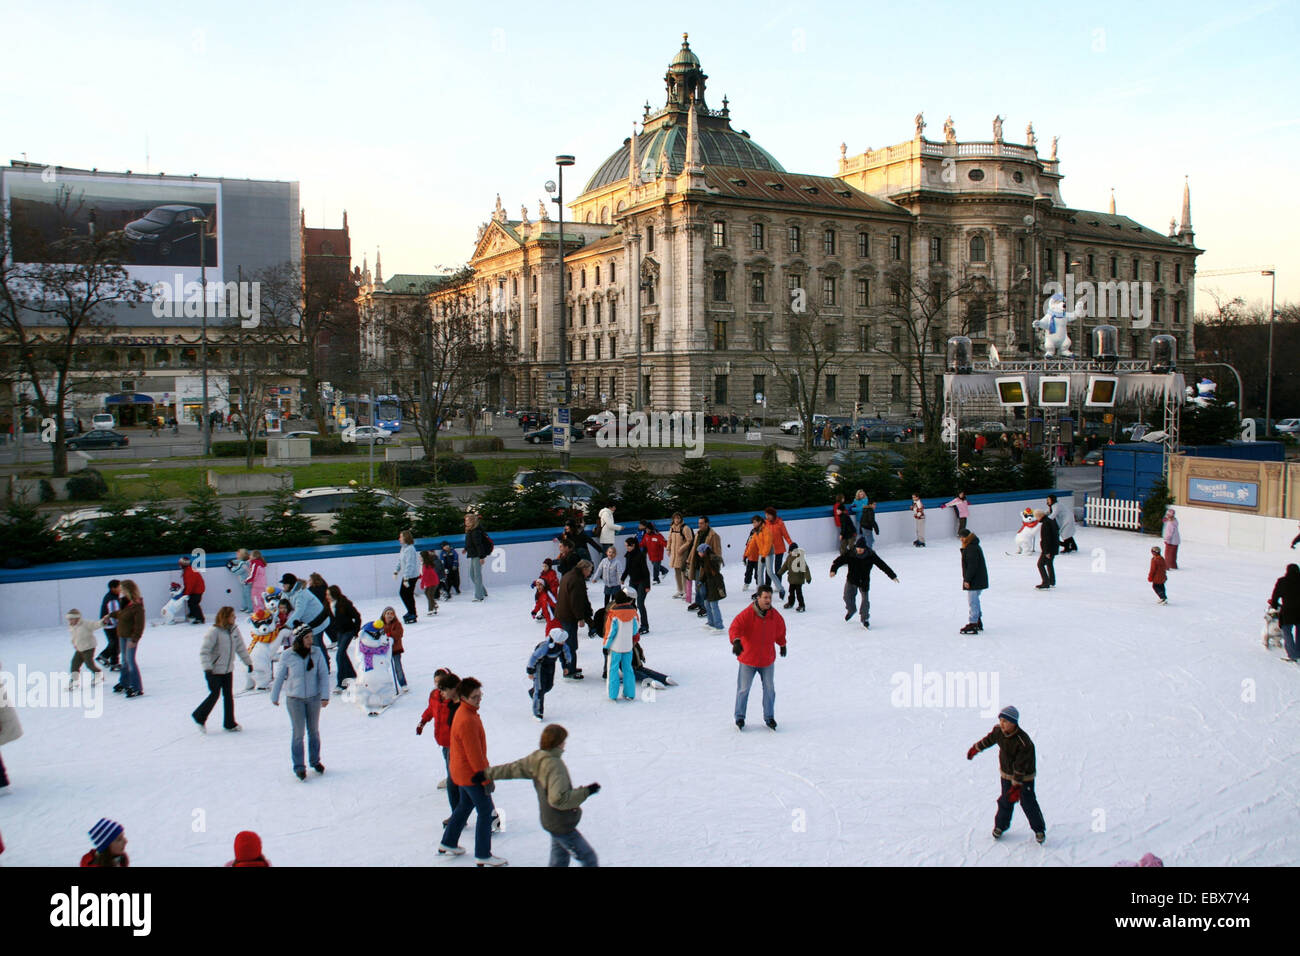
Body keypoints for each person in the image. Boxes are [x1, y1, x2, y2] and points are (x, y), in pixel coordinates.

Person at [482, 724, 600, 867]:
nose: (565, 744)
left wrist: (486, 773)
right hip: (561, 823)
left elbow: (512, 769)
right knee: (589, 858)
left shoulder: (537, 758)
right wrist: (586, 791)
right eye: (563, 740)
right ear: (557, 742)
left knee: (559, 860)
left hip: (550, 820)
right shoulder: (555, 766)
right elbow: (559, 799)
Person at [438, 678, 507, 866]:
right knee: (486, 813)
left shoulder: (465, 712)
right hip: (471, 775)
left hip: (461, 772)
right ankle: (483, 854)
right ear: (463, 697)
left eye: (480, 695)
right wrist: (486, 780)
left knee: (464, 806)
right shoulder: (467, 719)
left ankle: (449, 841)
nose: (479, 700)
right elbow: (475, 756)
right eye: (474, 697)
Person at [966, 705, 1046, 844]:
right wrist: (976, 748)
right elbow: (988, 740)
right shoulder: (998, 732)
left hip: (1024, 777)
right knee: (1005, 801)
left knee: (1028, 803)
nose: (1002, 723)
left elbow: (1020, 766)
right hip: (1006, 774)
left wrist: (1016, 786)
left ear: (1014, 723)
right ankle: (1000, 826)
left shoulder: (1024, 742)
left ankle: (1039, 829)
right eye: (1001, 720)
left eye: (1005, 721)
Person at [270, 625, 331, 781]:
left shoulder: (317, 653)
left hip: (313, 697)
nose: (311, 640)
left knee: (314, 731)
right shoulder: (287, 655)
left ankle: (315, 761)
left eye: (311, 637)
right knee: (298, 733)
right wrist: (274, 695)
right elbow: (280, 676)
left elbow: (323, 675)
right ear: (299, 640)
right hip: (294, 699)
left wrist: (325, 696)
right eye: (307, 637)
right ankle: (299, 766)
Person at [729, 584, 787, 730]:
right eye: (765, 597)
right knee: (743, 689)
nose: (768, 601)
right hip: (748, 659)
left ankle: (769, 717)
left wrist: (782, 644)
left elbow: (780, 630)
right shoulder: (748, 614)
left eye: (770, 597)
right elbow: (735, 627)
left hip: (767, 660)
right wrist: (736, 641)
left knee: (769, 689)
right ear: (758, 598)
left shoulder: (774, 616)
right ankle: (740, 717)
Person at [193, 606, 253, 732]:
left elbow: (240, 648)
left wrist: (248, 662)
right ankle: (199, 716)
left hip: (227, 670)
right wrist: (208, 669)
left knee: (228, 696)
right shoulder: (214, 631)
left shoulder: (234, 630)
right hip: (214, 671)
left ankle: (229, 723)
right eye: (232, 616)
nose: (235, 618)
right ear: (225, 617)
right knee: (215, 694)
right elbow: (204, 651)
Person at [417, 670, 461, 819]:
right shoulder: (435, 696)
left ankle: (457, 815)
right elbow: (431, 710)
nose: (438, 686)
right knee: (455, 776)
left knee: (454, 782)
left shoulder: (457, 702)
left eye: (441, 682)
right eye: (436, 682)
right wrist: (423, 721)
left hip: (455, 744)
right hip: (444, 742)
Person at [829, 538, 900, 629]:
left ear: (865, 548)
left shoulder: (871, 555)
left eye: (861, 548)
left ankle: (865, 619)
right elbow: (839, 561)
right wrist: (833, 570)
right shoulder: (851, 553)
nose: (859, 550)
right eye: (858, 548)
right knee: (847, 597)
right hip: (852, 579)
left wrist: (892, 576)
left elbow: (882, 565)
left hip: (864, 581)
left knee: (865, 601)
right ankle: (851, 610)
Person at [555, 560, 595, 679]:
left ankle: (569, 667)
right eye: (589, 570)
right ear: (584, 569)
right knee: (570, 644)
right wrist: (580, 618)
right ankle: (569, 670)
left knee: (568, 643)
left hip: (563, 613)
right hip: (568, 615)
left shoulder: (569, 575)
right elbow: (576, 601)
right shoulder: (577, 580)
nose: (590, 573)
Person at [527, 626, 574, 719]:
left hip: (551, 666)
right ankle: (538, 713)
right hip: (540, 667)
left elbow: (566, 655)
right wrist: (530, 671)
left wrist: (566, 666)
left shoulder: (562, 646)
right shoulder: (545, 647)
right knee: (540, 690)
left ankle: (533, 692)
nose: (564, 642)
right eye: (563, 640)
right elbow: (534, 658)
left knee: (548, 686)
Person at [603, 589, 639, 702]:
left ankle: (612, 695)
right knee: (628, 669)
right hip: (628, 646)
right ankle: (630, 693)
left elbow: (610, 632)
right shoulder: (633, 613)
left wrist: (605, 646)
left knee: (613, 670)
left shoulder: (613, 614)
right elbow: (635, 630)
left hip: (615, 647)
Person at [326, 584, 361, 692]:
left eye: (328, 594)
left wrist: (356, 631)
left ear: (334, 594)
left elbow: (357, 616)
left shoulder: (344, 603)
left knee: (340, 655)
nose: (326, 596)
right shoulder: (328, 604)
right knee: (342, 654)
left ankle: (342, 683)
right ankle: (351, 673)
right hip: (340, 632)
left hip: (348, 631)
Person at [686, 516, 723, 617]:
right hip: (697, 563)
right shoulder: (698, 533)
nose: (699, 525)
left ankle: (706, 607)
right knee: (697, 585)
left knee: (704, 587)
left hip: (707, 566)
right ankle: (698, 602)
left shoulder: (714, 536)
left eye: (701, 523)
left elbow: (717, 552)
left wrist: (715, 567)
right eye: (699, 523)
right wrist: (689, 560)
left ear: (707, 523)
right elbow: (694, 548)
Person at [115, 580, 146, 698]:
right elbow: (121, 614)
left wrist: (134, 639)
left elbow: (139, 625)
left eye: (122, 588)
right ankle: (124, 682)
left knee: (130, 661)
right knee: (124, 660)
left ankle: (136, 687)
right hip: (122, 635)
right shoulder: (125, 602)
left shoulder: (137, 605)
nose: (120, 591)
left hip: (130, 637)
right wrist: (110, 615)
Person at [1268, 564, 1300, 662]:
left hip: (1287, 610)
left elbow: (1275, 595)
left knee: (1287, 631)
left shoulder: (1282, 581)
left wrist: (1274, 605)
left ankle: (1293, 654)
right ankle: (1298, 652)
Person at [620, 536, 651, 635]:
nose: (626, 548)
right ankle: (630, 623)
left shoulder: (640, 555)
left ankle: (645, 626)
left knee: (640, 604)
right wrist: (623, 578)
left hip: (642, 582)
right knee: (630, 603)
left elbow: (645, 571)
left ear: (633, 545)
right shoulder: (628, 555)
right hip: (633, 581)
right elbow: (627, 568)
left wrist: (647, 586)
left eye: (627, 546)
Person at [959, 530, 989, 633]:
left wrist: (967, 580)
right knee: (974, 600)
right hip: (978, 579)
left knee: (973, 601)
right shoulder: (971, 546)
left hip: (975, 580)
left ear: (968, 537)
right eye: (960, 537)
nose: (961, 539)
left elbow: (972, 566)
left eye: (963, 537)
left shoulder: (971, 548)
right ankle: (977, 621)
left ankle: (973, 623)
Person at [66, 608, 103, 688]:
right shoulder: (72, 626)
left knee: (89, 664)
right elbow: (74, 637)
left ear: (77, 618)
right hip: (79, 648)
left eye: (71, 619)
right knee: (74, 664)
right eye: (69, 619)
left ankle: (98, 675)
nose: (70, 621)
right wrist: (74, 644)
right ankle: (74, 681)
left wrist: (103, 622)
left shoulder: (85, 624)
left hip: (89, 647)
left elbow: (96, 624)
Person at [698, 543, 727, 630]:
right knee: (707, 604)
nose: (698, 554)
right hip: (708, 585)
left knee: (714, 605)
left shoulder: (711, 561)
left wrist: (719, 588)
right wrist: (701, 581)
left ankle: (719, 625)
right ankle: (711, 623)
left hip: (713, 586)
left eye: (699, 552)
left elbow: (716, 575)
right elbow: (706, 574)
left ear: (703, 551)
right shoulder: (705, 560)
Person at [463, 513, 492, 601]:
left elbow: (479, 545)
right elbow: (471, 542)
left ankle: (479, 596)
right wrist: (466, 549)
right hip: (473, 554)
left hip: (477, 555)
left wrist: (481, 557)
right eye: (465, 520)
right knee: (472, 574)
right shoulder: (471, 530)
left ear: (472, 521)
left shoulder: (476, 531)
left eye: (467, 520)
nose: (465, 522)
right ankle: (483, 591)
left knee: (477, 575)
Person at [765, 507, 793, 598]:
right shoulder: (765, 524)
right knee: (768, 569)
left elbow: (786, 535)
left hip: (779, 549)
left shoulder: (780, 523)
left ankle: (778, 584)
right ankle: (767, 585)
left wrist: (791, 545)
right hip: (768, 550)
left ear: (773, 515)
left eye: (768, 515)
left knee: (778, 568)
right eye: (766, 515)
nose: (767, 516)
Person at [379, 607, 408, 692]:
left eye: (392, 614)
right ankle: (383, 685)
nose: (390, 615)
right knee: (383, 667)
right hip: (384, 650)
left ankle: (403, 684)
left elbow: (399, 634)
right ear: (384, 615)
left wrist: (389, 634)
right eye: (388, 613)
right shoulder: (380, 624)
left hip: (395, 649)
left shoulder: (397, 624)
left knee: (398, 667)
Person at [667, 513, 695, 600]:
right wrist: (668, 549)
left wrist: (681, 548)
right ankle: (680, 590)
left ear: (681, 519)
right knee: (677, 571)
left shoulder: (685, 528)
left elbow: (689, 540)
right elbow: (669, 539)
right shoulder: (672, 528)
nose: (676, 520)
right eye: (675, 518)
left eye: (678, 518)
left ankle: (686, 591)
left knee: (683, 572)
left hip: (683, 553)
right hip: (674, 554)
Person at [96, 579, 122, 670]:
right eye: (119, 587)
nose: (121, 588)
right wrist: (118, 625)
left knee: (115, 643)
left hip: (108, 624)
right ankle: (112, 662)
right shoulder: (112, 599)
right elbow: (113, 614)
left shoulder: (112, 596)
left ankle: (105, 658)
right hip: (111, 625)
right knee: (116, 643)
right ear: (113, 588)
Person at [396, 530, 420, 623]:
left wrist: (406, 577)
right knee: (406, 594)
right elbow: (400, 560)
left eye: (401, 537)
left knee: (405, 594)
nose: (399, 539)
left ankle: (412, 612)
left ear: (406, 538)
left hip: (411, 576)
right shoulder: (403, 548)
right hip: (406, 575)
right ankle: (411, 612)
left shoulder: (410, 549)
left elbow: (410, 564)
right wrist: (396, 570)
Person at [779, 541, 810, 612]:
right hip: (792, 579)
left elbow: (805, 568)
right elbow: (785, 566)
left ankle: (802, 605)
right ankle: (790, 603)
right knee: (791, 592)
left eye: (790, 551)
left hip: (799, 580)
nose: (789, 553)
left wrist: (808, 578)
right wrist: (780, 572)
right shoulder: (789, 557)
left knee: (799, 593)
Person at [1035, 508, 1059, 590]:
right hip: (1054, 547)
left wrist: (1046, 552)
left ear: (1039, 516)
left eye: (1036, 517)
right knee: (1049, 563)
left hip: (1048, 549)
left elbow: (1046, 539)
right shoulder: (1051, 521)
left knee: (1040, 564)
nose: (1036, 519)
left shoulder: (1045, 524)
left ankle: (1046, 582)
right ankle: (1052, 581)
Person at [179, 554, 206, 624]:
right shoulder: (188, 570)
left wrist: (186, 593)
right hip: (196, 589)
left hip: (197, 590)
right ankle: (193, 615)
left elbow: (191, 584)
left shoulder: (189, 572)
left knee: (193, 604)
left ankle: (199, 618)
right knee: (191, 603)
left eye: (180, 564)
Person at [227, 549, 253, 613]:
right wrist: (233, 562)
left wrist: (230, 567)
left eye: (237, 554)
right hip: (246, 582)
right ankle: (244, 606)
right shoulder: (247, 562)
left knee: (247, 595)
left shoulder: (244, 564)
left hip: (246, 582)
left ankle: (250, 608)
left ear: (241, 555)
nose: (236, 555)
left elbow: (236, 571)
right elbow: (239, 562)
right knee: (244, 594)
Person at [742, 516, 763, 591]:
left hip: (759, 557)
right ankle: (746, 583)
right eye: (753, 522)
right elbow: (748, 545)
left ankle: (759, 584)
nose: (753, 524)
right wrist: (745, 556)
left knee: (758, 573)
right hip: (751, 557)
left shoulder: (762, 532)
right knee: (748, 572)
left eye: (755, 522)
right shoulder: (752, 532)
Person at [419, 550, 441, 615]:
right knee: (427, 593)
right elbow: (422, 574)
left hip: (433, 582)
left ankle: (431, 609)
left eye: (420, 557)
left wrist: (422, 584)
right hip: (429, 582)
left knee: (430, 595)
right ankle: (434, 604)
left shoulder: (427, 565)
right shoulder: (423, 564)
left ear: (424, 557)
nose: (419, 558)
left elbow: (425, 575)